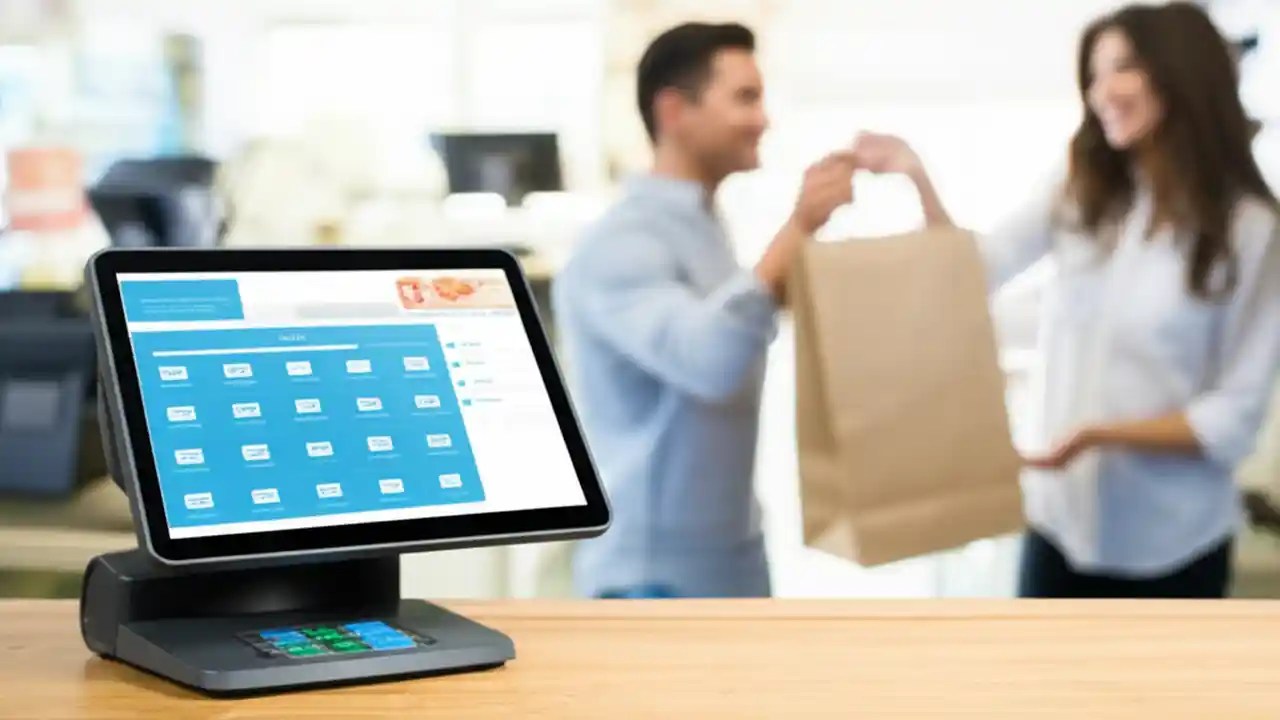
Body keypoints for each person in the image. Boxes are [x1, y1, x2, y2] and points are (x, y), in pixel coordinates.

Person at [852, 2, 1280, 598]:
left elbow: (1234, 415)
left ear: (1181, 72)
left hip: (1173, 542)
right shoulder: (1080, 188)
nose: (1101, 92)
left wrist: (1097, 436)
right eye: (1094, 75)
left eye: (1121, 69)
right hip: (1059, 526)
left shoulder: (1252, 230)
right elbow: (976, 270)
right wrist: (916, 177)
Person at [554, 22, 857, 598]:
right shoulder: (621, 243)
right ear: (674, 111)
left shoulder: (701, 224)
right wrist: (800, 225)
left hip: (730, 557)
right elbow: (711, 362)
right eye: (745, 98)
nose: (762, 120)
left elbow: (736, 328)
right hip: (652, 579)